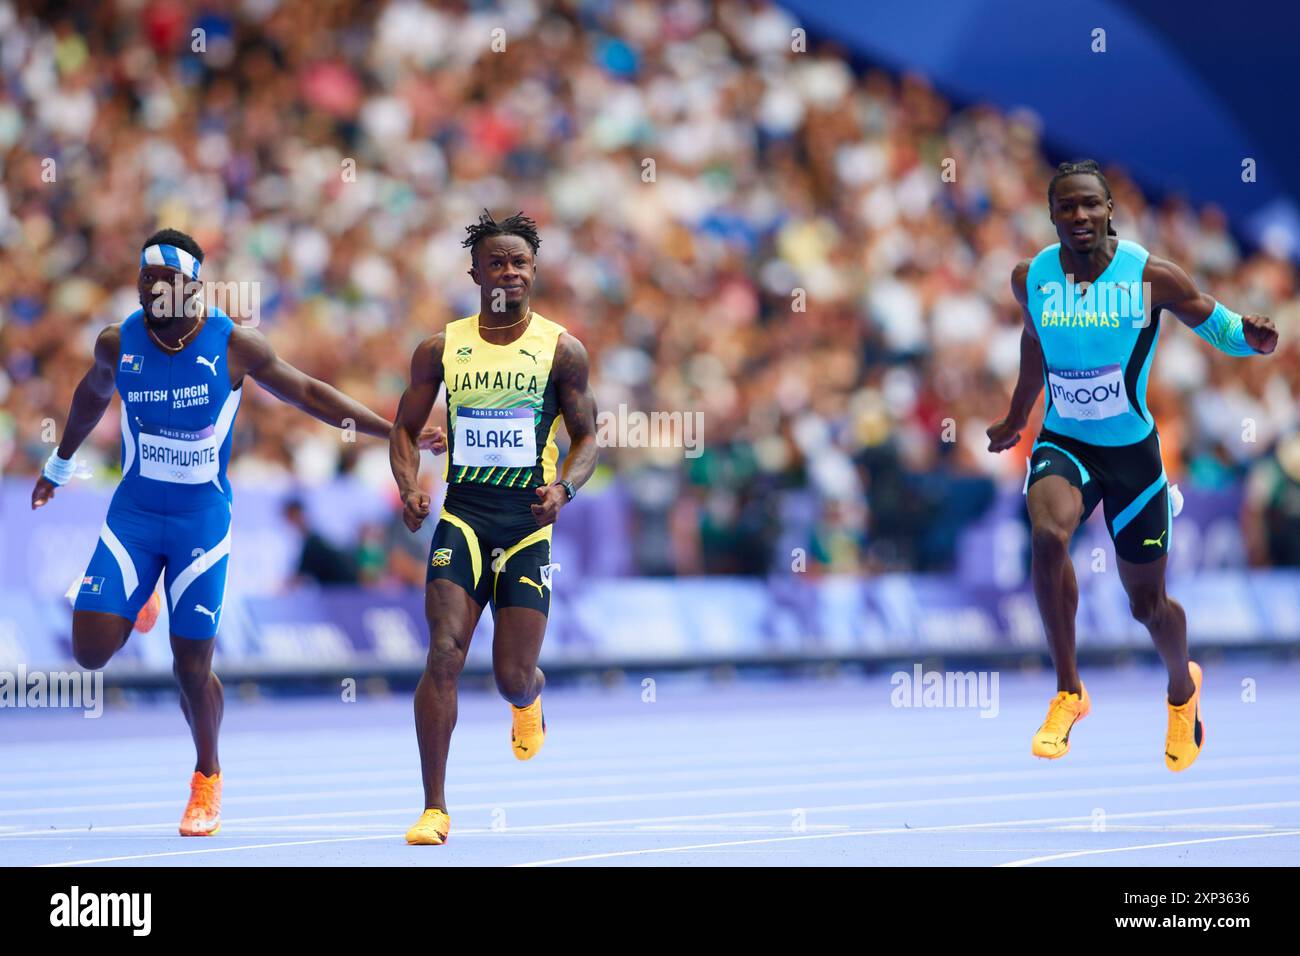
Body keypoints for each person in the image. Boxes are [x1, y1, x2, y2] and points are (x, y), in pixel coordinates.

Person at [31, 228, 443, 836]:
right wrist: (60, 463)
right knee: (89, 651)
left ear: (195, 285)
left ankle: (206, 777)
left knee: (190, 666)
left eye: (165, 282)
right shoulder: (119, 342)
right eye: (144, 280)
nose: (152, 292)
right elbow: (91, 397)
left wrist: (393, 432)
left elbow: (309, 394)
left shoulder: (234, 346)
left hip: (201, 521)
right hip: (136, 515)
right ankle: (144, 595)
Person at [987, 161, 1278, 771]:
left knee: (1147, 606)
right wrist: (1018, 419)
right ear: (1052, 215)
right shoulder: (1032, 278)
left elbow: (1216, 322)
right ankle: (1069, 691)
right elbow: (1035, 344)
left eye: (1090, 205)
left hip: (1133, 458)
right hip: (1064, 442)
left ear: (1110, 208)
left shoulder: (1148, 277)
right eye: (1067, 207)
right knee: (1046, 535)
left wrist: (1251, 339)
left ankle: (1181, 692)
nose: (1080, 217)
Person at [390, 211, 598, 845]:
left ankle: (529, 697)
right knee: (445, 653)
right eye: (497, 262)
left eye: (520, 262)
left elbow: (589, 437)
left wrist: (563, 488)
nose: (508, 271)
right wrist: (408, 486)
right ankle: (434, 808)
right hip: (463, 514)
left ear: (533, 271)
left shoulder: (562, 350)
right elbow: (402, 427)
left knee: (510, 674)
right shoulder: (441, 348)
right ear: (475, 272)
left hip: (528, 523)